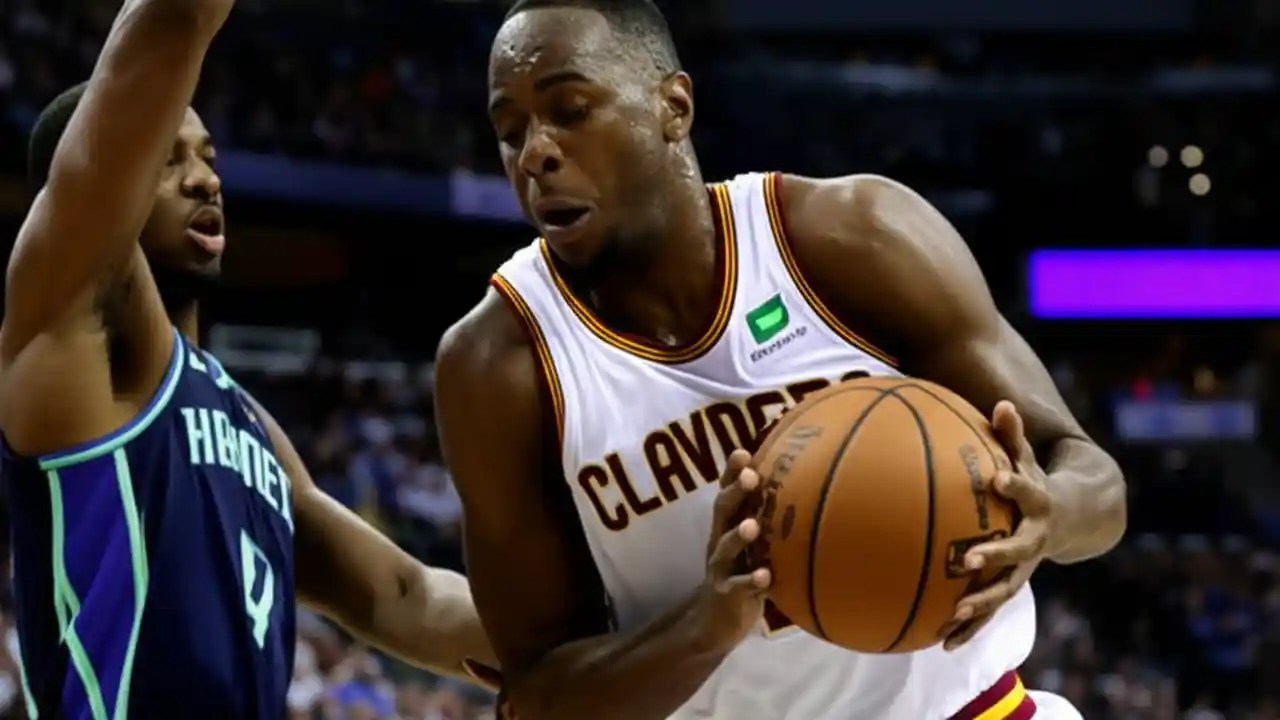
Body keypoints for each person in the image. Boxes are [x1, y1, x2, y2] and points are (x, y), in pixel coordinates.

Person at [434, 1, 1127, 718]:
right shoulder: (499, 366)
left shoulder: (851, 238)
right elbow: (542, 700)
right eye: (509, 132)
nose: (536, 153)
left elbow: (1096, 483)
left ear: (674, 107)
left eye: (570, 110)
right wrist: (710, 624)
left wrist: (1051, 516)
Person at [0, 0, 496, 717]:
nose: (206, 180)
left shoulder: (246, 421)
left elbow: (407, 598)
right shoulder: (73, 334)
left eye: (207, 156)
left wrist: (616, 634)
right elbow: (168, 27)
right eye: (168, 159)